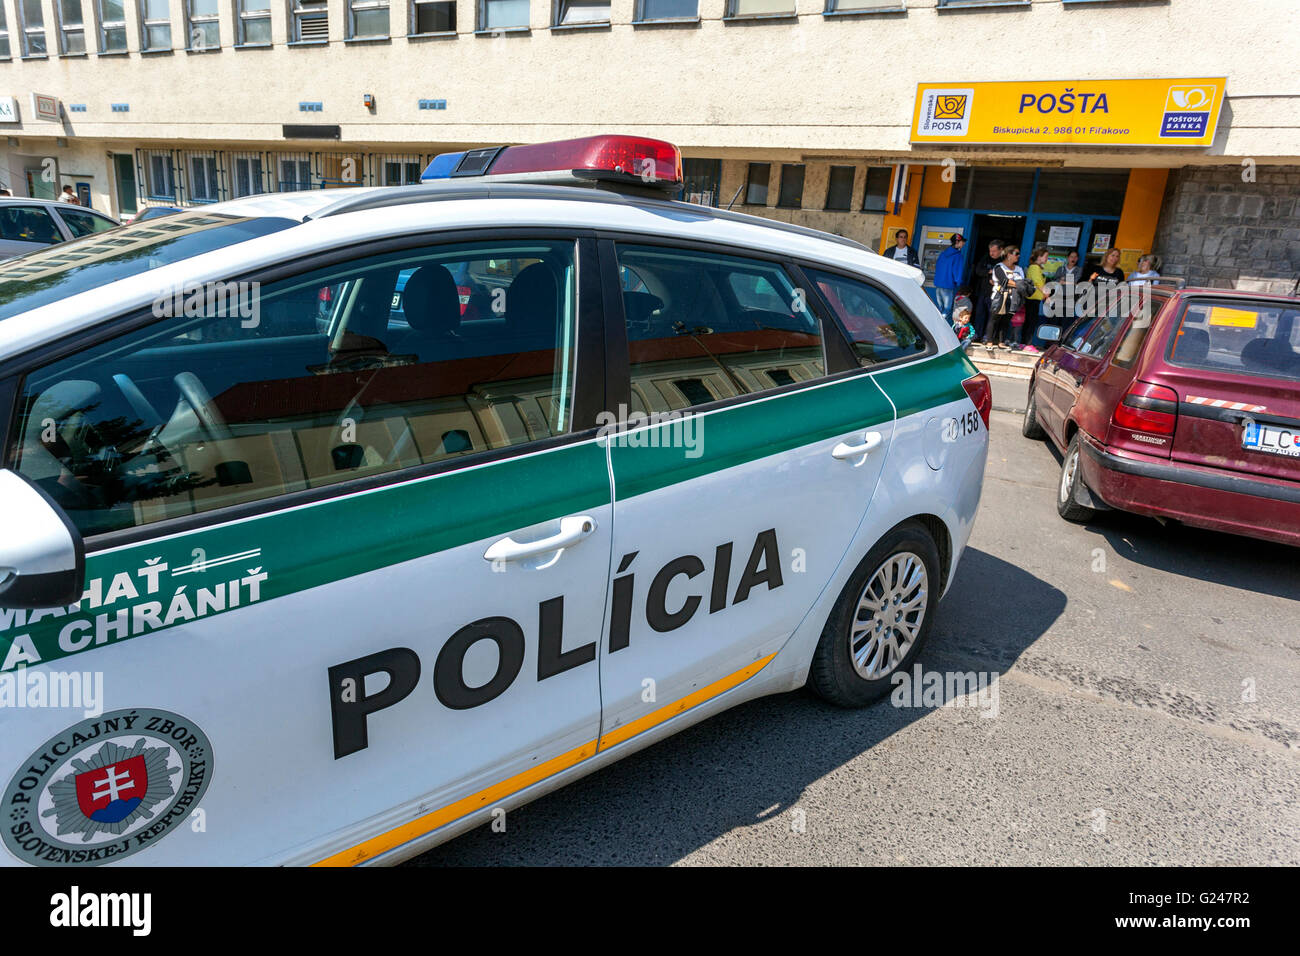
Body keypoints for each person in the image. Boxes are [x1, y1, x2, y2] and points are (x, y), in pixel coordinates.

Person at [987, 244, 1021, 349]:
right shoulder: (999, 267)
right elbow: (1004, 281)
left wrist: (1016, 284)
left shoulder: (1019, 269)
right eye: (1016, 253)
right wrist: (1017, 284)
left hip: (1013, 298)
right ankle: (989, 341)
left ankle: (1001, 342)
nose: (1018, 256)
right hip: (999, 297)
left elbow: (1023, 283)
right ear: (1008, 255)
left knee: (1006, 320)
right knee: (994, 319)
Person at [971, 238, 1004, 343]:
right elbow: (978, 270)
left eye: (994, 251)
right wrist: (989, 271)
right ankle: (977, 335)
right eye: (990, 251)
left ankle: (988, 337)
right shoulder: (986, 258)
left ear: (1001, 250)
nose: (991, 253)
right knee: (980, 315)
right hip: (983, 292)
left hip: (996, 294)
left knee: (992, 318)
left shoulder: (1004, 261)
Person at [1019, 246, 1051, 352]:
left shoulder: (1038, 268)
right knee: (1031, 321)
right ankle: (1026, 344)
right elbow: (1038, 282)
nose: (1047, 259)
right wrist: (1047, 295)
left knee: (1031, 321)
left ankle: (1025, 343)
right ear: (1039, 257)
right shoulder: (1034, 267)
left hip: (1036, 298)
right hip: (1032, 298)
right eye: (1046, 256)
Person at [933, 233, 965, 322]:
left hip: (938, 284)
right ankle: (938, 329)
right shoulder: (958, 256)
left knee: (940, 309)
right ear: (957, 242)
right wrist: (959, 283)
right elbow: (957, 271)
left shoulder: (943, 253)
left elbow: (937, 267)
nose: (964, 244)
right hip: (948, 286)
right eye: (962, 242)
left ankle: (934, 325)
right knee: (946, 311)